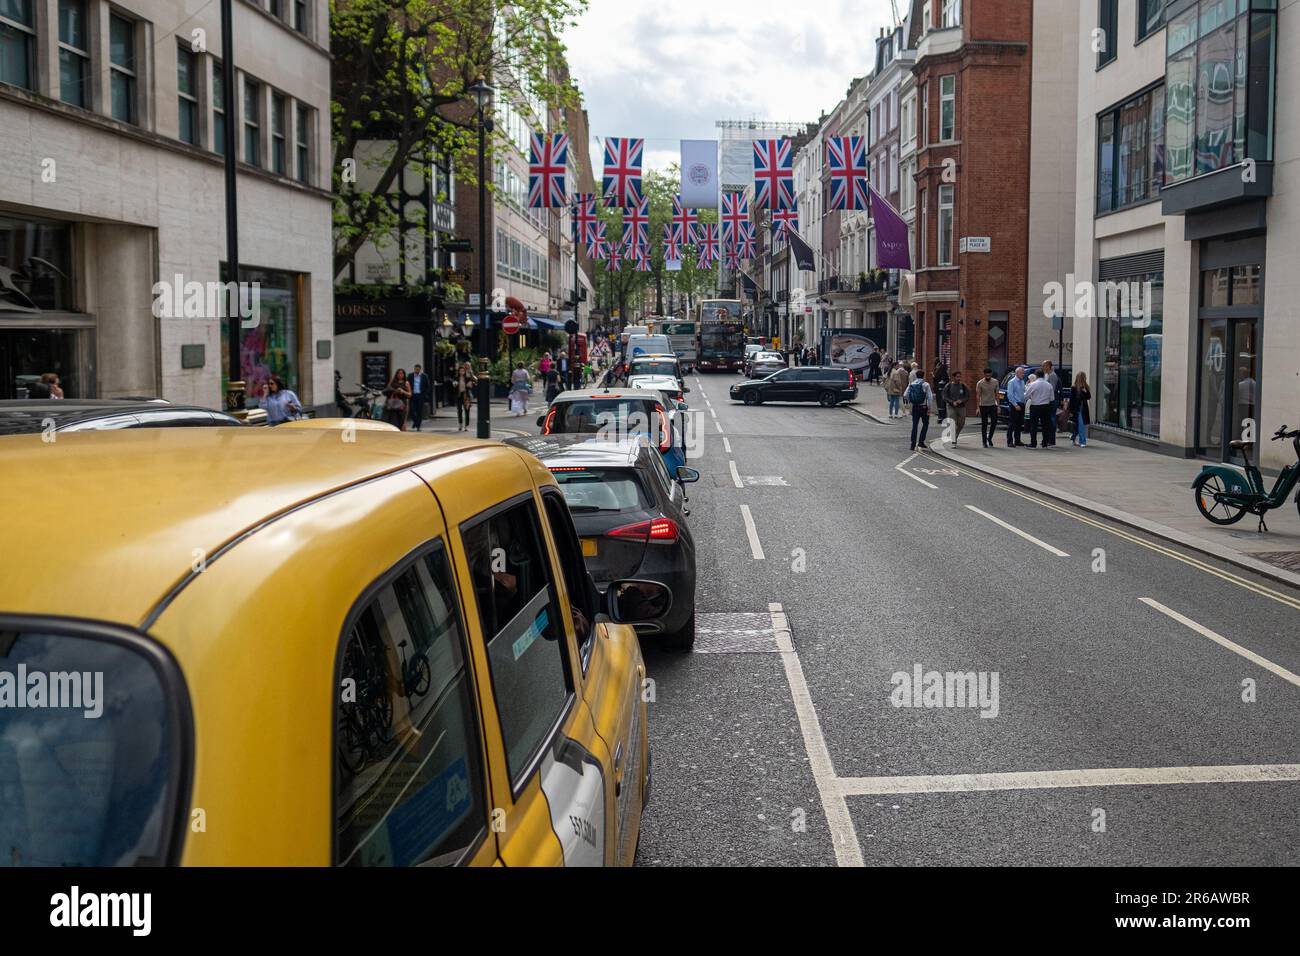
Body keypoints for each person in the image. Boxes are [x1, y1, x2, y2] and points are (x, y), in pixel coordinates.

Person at [1024, 371, 1055, 448]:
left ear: (1036, 376)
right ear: (1043, 375)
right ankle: (1044, 443)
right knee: (1045, 426)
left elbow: (1026, 395)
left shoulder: (1033, 384)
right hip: (1046, 407)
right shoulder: (1049, 385)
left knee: (1033, 425)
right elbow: (1052, 398)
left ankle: (1033, 443)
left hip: (1035, 406)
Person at [906, 370, 935, 451]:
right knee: (925, 424)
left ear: (916, 375)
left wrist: (912, 400)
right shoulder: (926, 384)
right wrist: (929, 408)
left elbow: (905, 394)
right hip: (923, 408)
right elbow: (930, 397)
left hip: (915, 407)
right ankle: (921, 442)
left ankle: (912, 444)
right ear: (923, 376)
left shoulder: (911, 384)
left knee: (914, 425)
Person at [942, 371, 970, 447]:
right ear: (953, 377)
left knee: (961, 423)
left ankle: (954, 436)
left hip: (961, 407)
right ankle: (954, 441)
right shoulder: (948, 386)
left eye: (960, 377)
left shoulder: (963, 386)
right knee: (953, 424)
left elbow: (967, 396)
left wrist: (961, 400)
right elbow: (944, 397)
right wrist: (952, 402)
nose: (959, 378)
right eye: (957, 377)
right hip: (951, 407)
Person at [976, 368, 1000, 448]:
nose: (988, 376)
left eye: (989, 375)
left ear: (991, 374)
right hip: (983, 405)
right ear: (984, 374)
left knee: (994, 422)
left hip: (993, 405)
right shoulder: (980, 383)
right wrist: (977, 408)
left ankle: (989, 438)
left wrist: (998, 406)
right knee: (984, 424)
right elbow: (978, 396)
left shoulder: (995, 382)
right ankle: (984, 442)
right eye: (986, 375)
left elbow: (997, 395)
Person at [1005, 366, 1027, 448]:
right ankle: (1009, 441)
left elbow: (1023, 393)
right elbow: (1010, 395)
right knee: (1012, 424)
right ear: (1017, 373)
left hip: (1021, 404)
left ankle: (1017, 440)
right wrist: (1015, 405)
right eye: (1022, 373)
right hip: (1015, 404)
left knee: (1019, 424)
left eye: (1023, 373)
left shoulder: (1022, 382)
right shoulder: (1012, 382)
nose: (1023, 374)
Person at [1068, 372, 1092, 447]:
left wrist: (1086, 391)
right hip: (1076, 409)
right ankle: (1082, 441)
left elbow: (1088, 397)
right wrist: (1071, 411)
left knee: (1079, 425)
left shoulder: (1085, 387)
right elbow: (1071, 400)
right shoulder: (1074, 388)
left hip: (1083, 409)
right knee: (1080, 425)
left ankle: (1073, 437)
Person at [409, 364, 430, 431]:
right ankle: (415, 422)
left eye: (418, 369)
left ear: (420, 369)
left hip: (420, 395)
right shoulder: (410, 376)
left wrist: (425, 395)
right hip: (413, 395)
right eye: (416, 369)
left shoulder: (424, 376)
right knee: (412, 410)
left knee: (419, 411)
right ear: (414, 369)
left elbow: (427, 386)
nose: (417, 370)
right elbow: (407, 384)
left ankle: (418, 426)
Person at [455, 360, 474, 431]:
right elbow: (454, 387)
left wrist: (470, 385)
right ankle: (460, 424)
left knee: (467, 410)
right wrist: (454, 385)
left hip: (466, 396)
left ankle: (466, 426)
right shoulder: (456, 378)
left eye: (463, 371)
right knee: (459, 410)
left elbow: (472, 384)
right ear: (459, 372)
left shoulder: (468, 378)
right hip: (459, 395)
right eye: (460, 371)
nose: (462, 372)